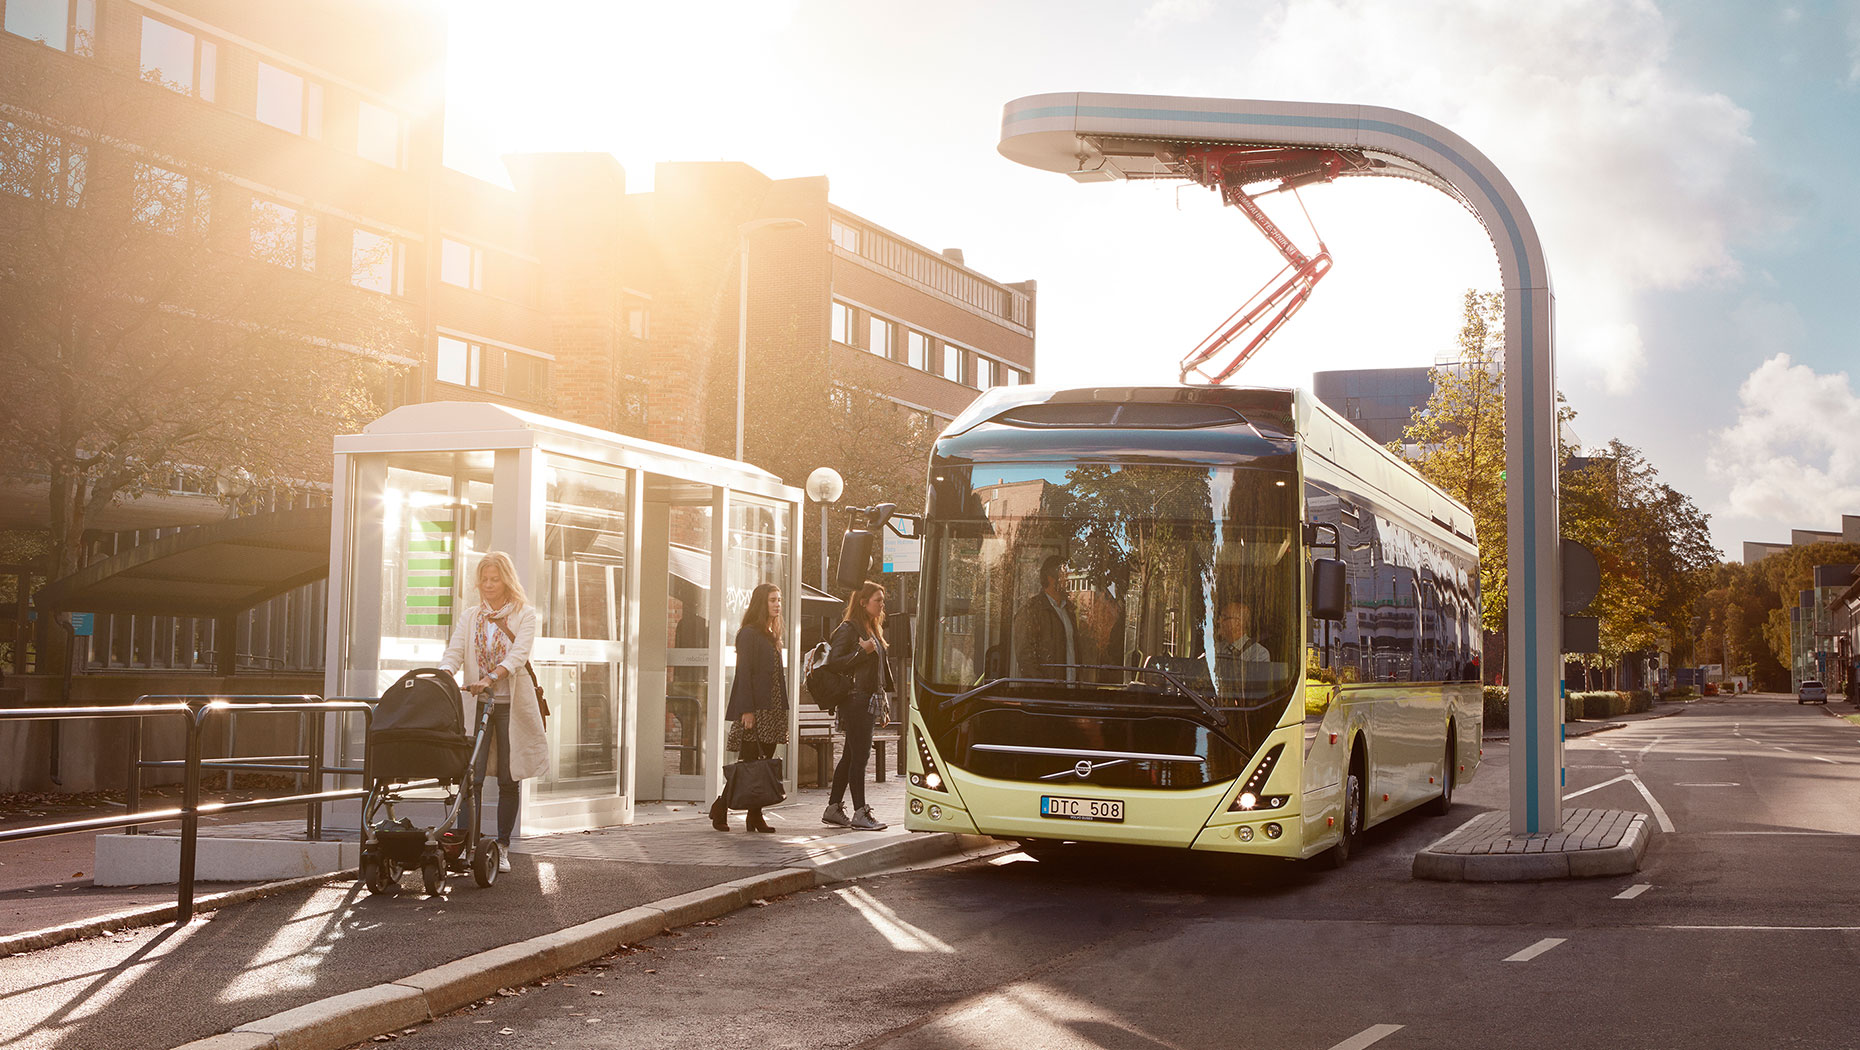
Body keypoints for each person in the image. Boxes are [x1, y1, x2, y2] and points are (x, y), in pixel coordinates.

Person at [440, 551, 548, 872]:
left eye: (494, 579)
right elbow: (455, 649)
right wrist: (444, 673)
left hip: (509, 706)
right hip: (478, 705)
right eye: (484, 579)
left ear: (507, 580)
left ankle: (501, 846)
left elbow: (518, 656)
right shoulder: (471, 616)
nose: (488, 585)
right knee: (469, 775)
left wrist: (490, 677)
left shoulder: (524, 615)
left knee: (507, 776)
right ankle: (464, 843)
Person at [712, 583, 789, 833]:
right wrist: (747, 710)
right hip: (756, 710)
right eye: (772, 600)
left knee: (762, 764)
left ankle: (755, 816)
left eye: (779, 600)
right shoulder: (749, 634)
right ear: (760, 603)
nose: (777, 604)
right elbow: (743, 673)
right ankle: (720, 808)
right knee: (748, 763)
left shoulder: (770, 633)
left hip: (773, 709)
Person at [822, 580, 891, 831]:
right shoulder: (849, 629)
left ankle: (833, 808)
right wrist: (863, 652)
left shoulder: (871, 627)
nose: (882, 604)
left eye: (882, 600)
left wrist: (882, 701)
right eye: (878, 600)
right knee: (860, 756)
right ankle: (860, 813)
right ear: (863, 602)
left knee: (851, 755)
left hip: (867, 699)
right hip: (855, 699)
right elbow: (834, 663)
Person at [1014, 555, 1078, 681]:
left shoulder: (1069, 611)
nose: (1068, 581)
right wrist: (1044, 691)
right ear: (1051, 579)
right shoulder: (1031, 611)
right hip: (1045, 696)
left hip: (1071, 693)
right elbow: (1026, 660)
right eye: (1064, 576)